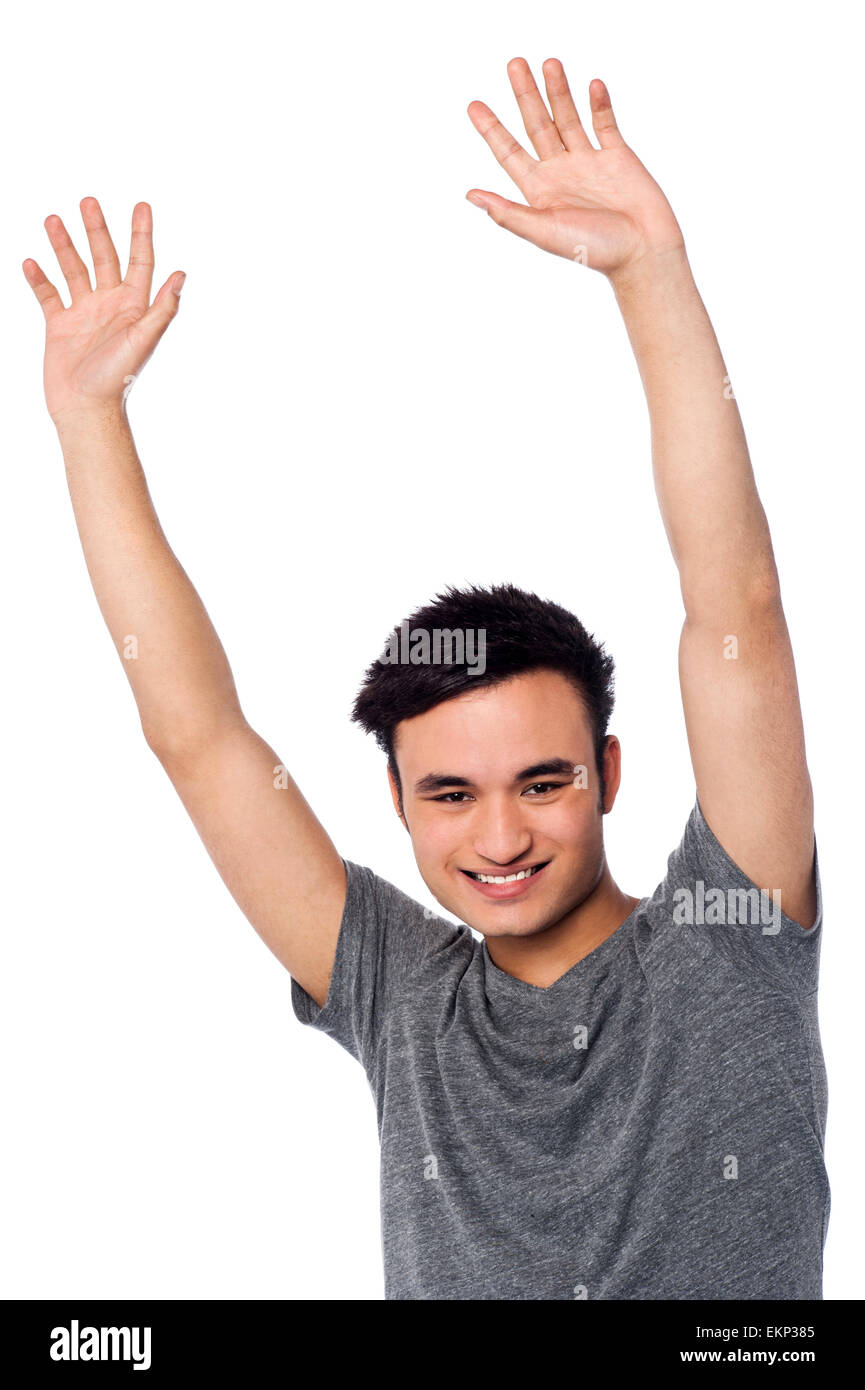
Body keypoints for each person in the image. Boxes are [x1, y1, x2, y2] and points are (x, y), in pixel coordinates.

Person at [23, 56, 828, 1301]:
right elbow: (198, 736)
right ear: (396, 803)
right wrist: (87, 421)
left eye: (542, 781)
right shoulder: (402, 993)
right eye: (448, 793)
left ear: (609, 774)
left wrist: (650, 276)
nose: (499, 834)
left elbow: (739, 609)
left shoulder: (730, 939)